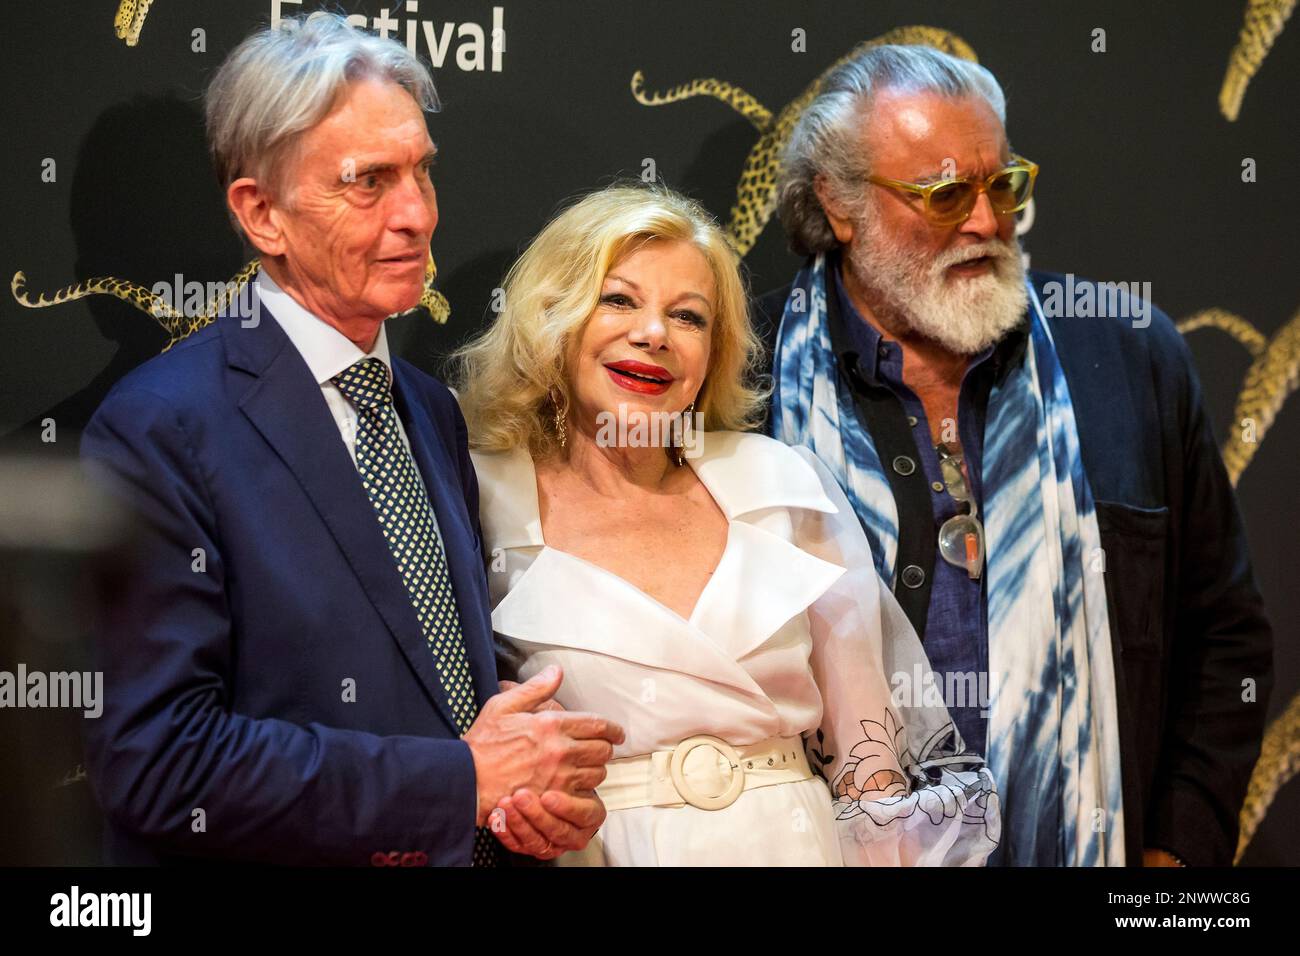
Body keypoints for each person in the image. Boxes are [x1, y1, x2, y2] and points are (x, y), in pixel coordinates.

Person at [78, 14, 622, 866]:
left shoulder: (430, 408)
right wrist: (456, 782)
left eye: (422, 172)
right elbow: (158, 761)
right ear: (263, 214)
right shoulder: (160, 428)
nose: (416, 215)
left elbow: (432, 693)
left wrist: (522, 789)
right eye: (368, 182)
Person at [755, 43, 1272, 866]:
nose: (988, 222)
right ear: (838, 202)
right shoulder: (739, 382)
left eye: (1003, 184)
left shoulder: (1130, 357)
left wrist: (1176, 853)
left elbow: (1223, 640)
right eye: (945, 193)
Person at [454, 183, 1000, 866]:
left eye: (688, 317)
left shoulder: (778, 482)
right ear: (552, 317)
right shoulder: (476, 496)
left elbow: (871, 769)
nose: (653, 334)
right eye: (619, 300)